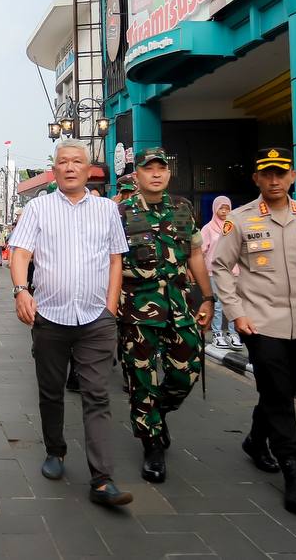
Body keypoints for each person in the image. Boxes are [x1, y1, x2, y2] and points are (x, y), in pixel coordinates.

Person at [209, 147, 296, 516]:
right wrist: (236, 313)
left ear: (293, 176)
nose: (274, 180)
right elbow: (220, 266)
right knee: (280, 396)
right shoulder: (239, 220)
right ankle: (293, 471)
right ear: (256, 178)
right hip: (259, 323)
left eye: (280, 173)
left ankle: (256, 440)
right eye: (266, 174)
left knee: (281, 389)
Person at [9, 139, 133, 508]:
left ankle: (102, 478)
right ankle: (55, 450)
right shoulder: (39, 209)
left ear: (88, 168)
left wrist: (110, 307)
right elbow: (21, 252)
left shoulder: (107, 211)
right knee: (51, 390)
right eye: (62, 161)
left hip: (96, 319)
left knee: (97, 394)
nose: (69, 167)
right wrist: (20, 289)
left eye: (77, 161)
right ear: (55, 168)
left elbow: (115, 260)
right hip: (50, 316)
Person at [117, 148, 213, 484]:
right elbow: (110, 261)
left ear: (168, 174)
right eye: (148, 169)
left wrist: (208, 297)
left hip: (179, 303)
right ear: (137, 175)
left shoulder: (183, 209)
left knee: (187, 372)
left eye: (161, 168)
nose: (156, 174)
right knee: (141, 378)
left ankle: (157, 413)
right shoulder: (121, 212)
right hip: (137, 306)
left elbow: (196, 254)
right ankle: (151, 444)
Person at [200, 196, 241, 349]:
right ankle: (217, 333)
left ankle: (232, 333)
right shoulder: (208, 228)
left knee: (233, 303)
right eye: (221, 208)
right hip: (214, 272)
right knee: (217, 305)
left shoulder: (234, 226)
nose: (224, 211)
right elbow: (202, 251)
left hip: (233, 271)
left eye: (227, 208)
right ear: (215, 209)